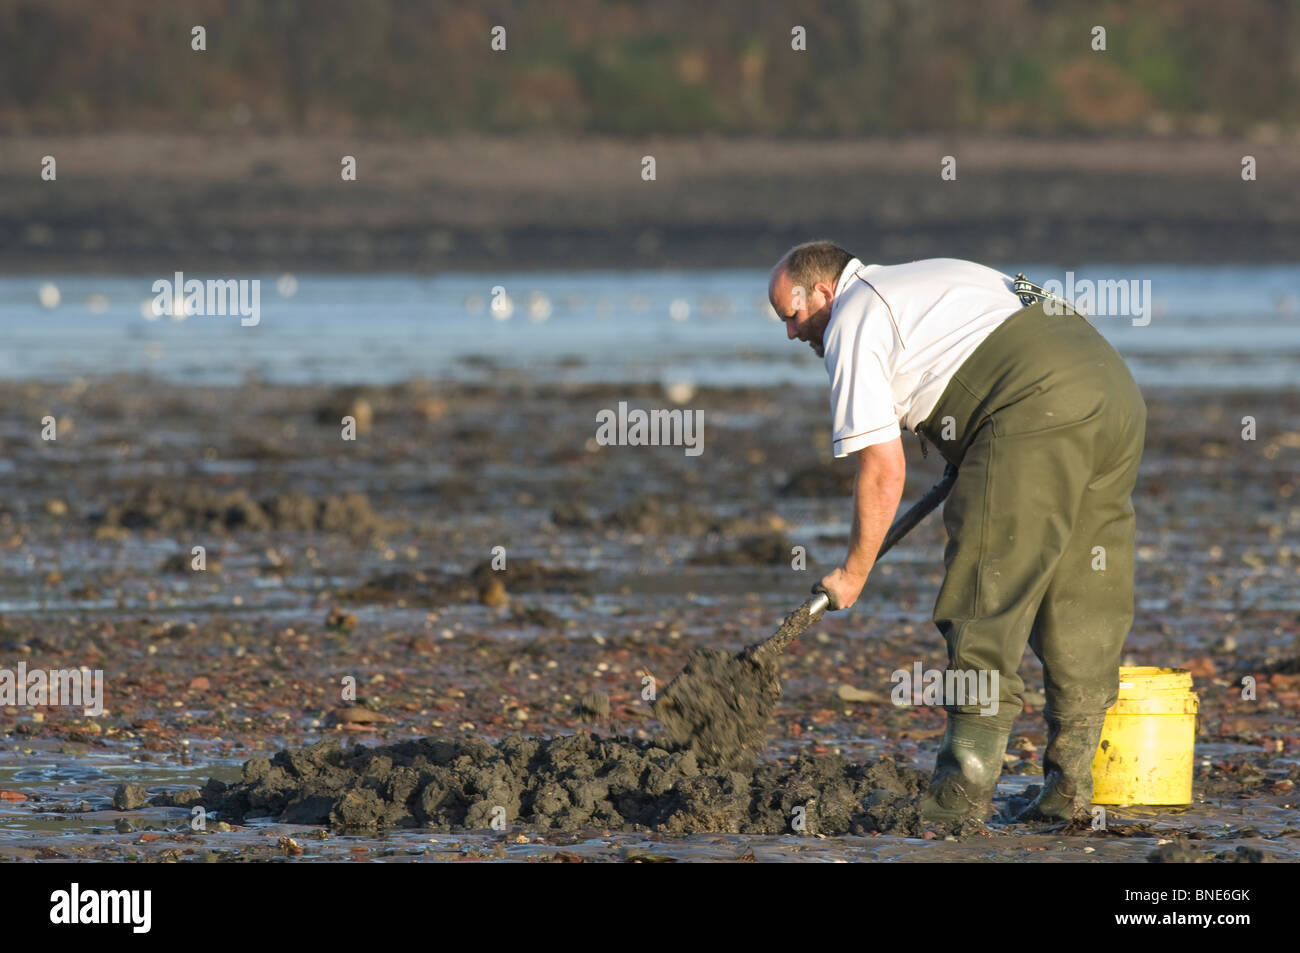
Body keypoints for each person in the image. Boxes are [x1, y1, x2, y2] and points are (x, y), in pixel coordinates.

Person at [768, 240, 1147, 825]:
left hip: (1030, 405)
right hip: (1112, 392)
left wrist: (853, 572)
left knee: (983, 597)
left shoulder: (853, 316)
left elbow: (883, 467)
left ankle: (957, 799)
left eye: (791, 316)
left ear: (822, 291)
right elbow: (970, 354)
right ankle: (1070, 792)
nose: (792, 334)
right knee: (1082, 598)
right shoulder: (925, 277)